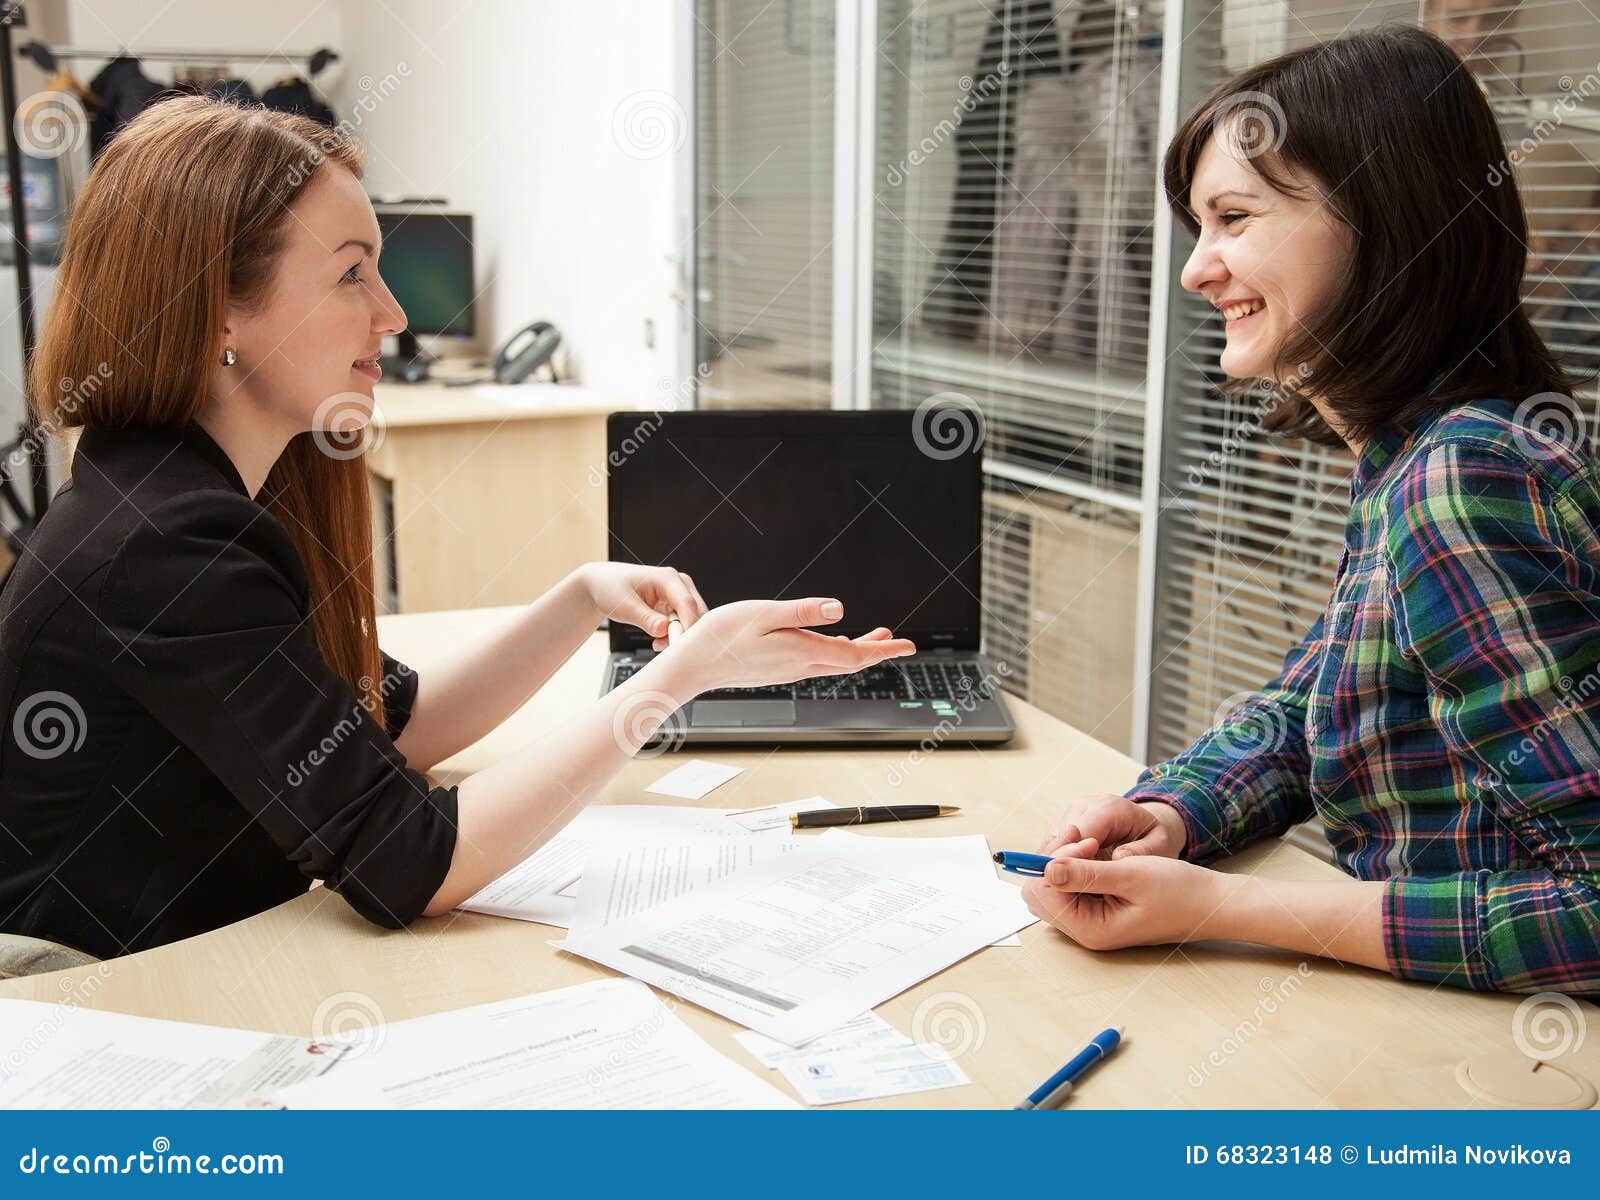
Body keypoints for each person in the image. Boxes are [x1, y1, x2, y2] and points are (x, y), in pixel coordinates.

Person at [0, 97, 915, 961]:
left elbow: (387, 727)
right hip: (98, 995)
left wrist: (577, 601)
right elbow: (408, 861)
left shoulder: (179, 493)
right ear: (220, 311)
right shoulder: (166, 547)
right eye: (352, 273)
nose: (394, 316)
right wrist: (680, 678)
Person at [1026, 25, 1600, 995]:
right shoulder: (1410, 457)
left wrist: (1214, 907)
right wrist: (1174, 812)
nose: (1195, 271)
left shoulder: (1460, 478)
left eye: (1234, 217)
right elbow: (1314, 706)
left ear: (1385, 222)